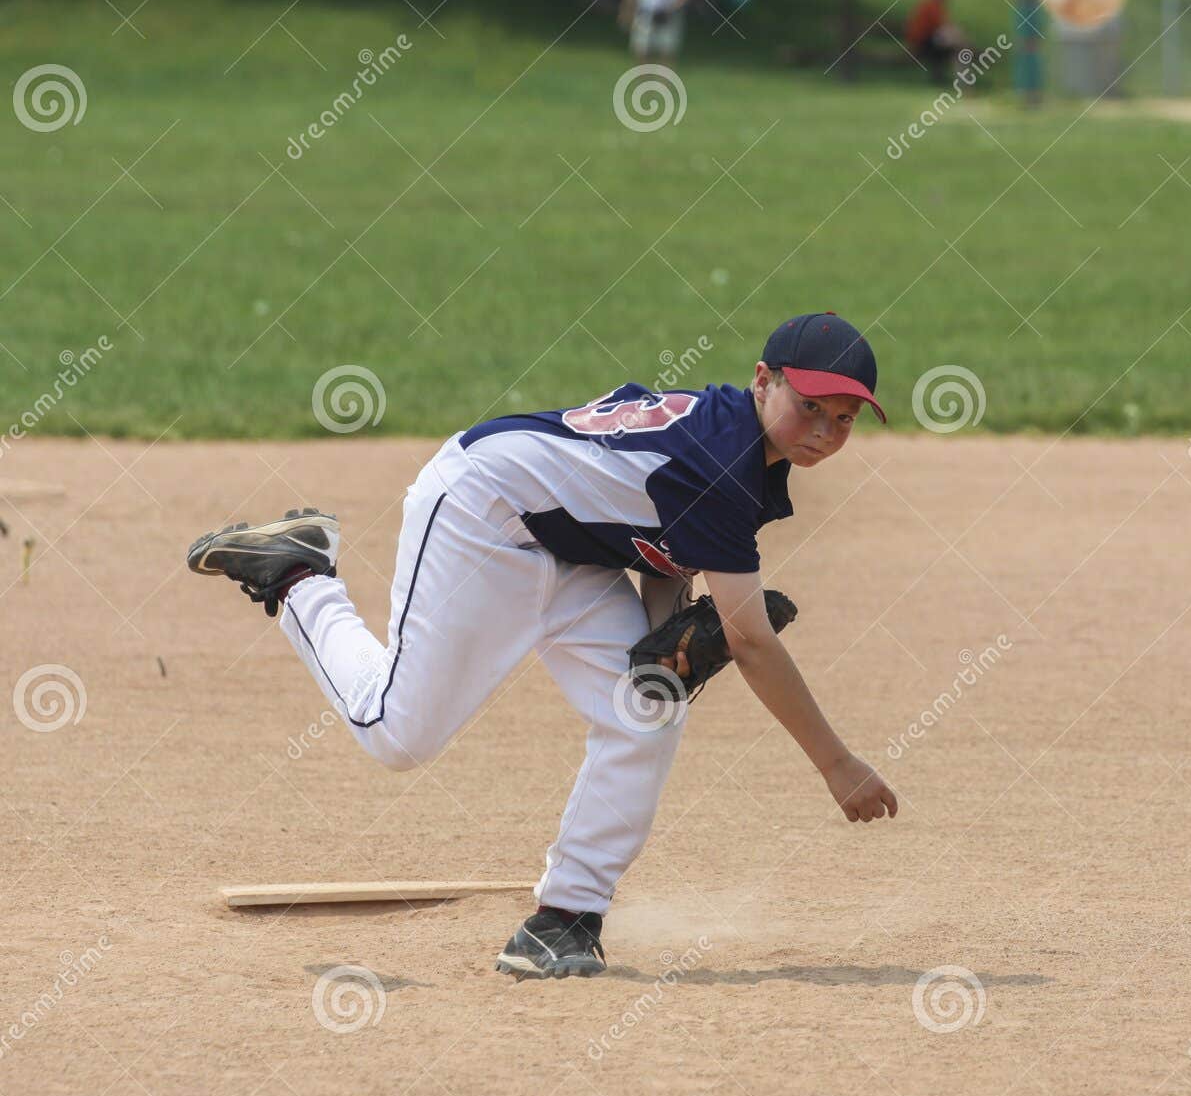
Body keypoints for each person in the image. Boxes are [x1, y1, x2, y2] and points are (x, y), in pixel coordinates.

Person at [185, 314, 901, 979]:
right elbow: (751, 642)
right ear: (763, 379)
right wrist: (836, 765)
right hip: (480, 514)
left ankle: (565, 919)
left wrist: (665, 631)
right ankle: (300, 574)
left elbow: (664, 544)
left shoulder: (732, 440)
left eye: (843, 418)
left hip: (568, 543)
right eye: (810, 405)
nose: (823, 431)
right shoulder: (724, 465)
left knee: (646, 706)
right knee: (395, 733)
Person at [905, 0, 972, 80]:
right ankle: (962, 79)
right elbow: (939, 26)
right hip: (922, 42)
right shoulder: (933, 5)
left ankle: (961, 77)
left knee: (957, 46)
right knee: (958, 47)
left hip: (925, 40)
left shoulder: (931, 4)